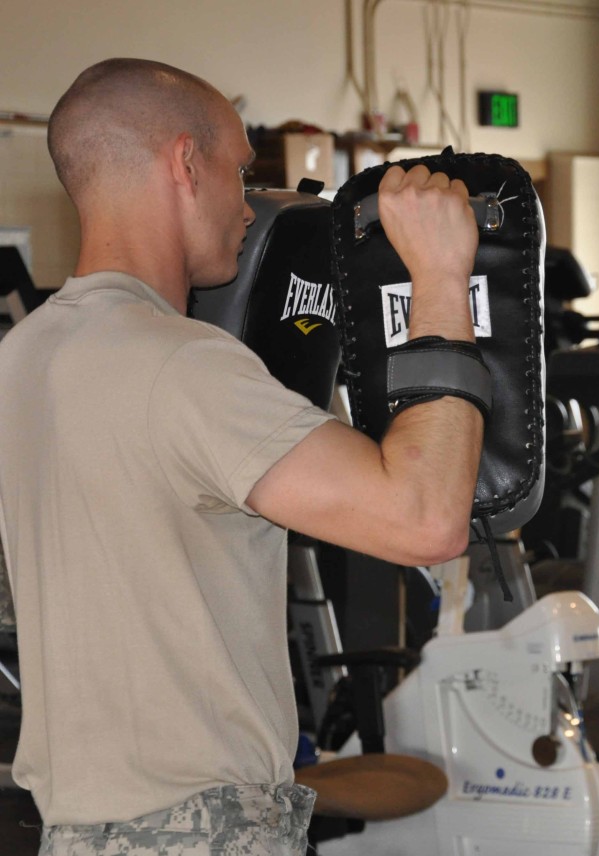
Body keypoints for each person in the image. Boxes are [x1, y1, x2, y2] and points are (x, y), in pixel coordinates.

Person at [0, 58, 484, 855]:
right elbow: (427, 521)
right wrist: (439, 276)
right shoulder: (180, 365)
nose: (248, 204)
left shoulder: (23, 356)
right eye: (239, 171)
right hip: (197, 832)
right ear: (185, 165)